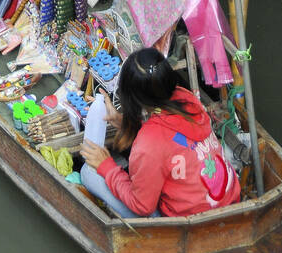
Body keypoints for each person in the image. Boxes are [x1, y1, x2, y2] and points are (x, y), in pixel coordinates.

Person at [80, 48, 241, 219]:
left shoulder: (149, 143)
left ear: (133, 98)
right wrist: (124, 122)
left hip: (192, 225)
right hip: (230, 202)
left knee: (88, 173)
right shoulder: (188, 99)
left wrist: (107, 167)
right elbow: (170, 137)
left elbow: (142, 206)